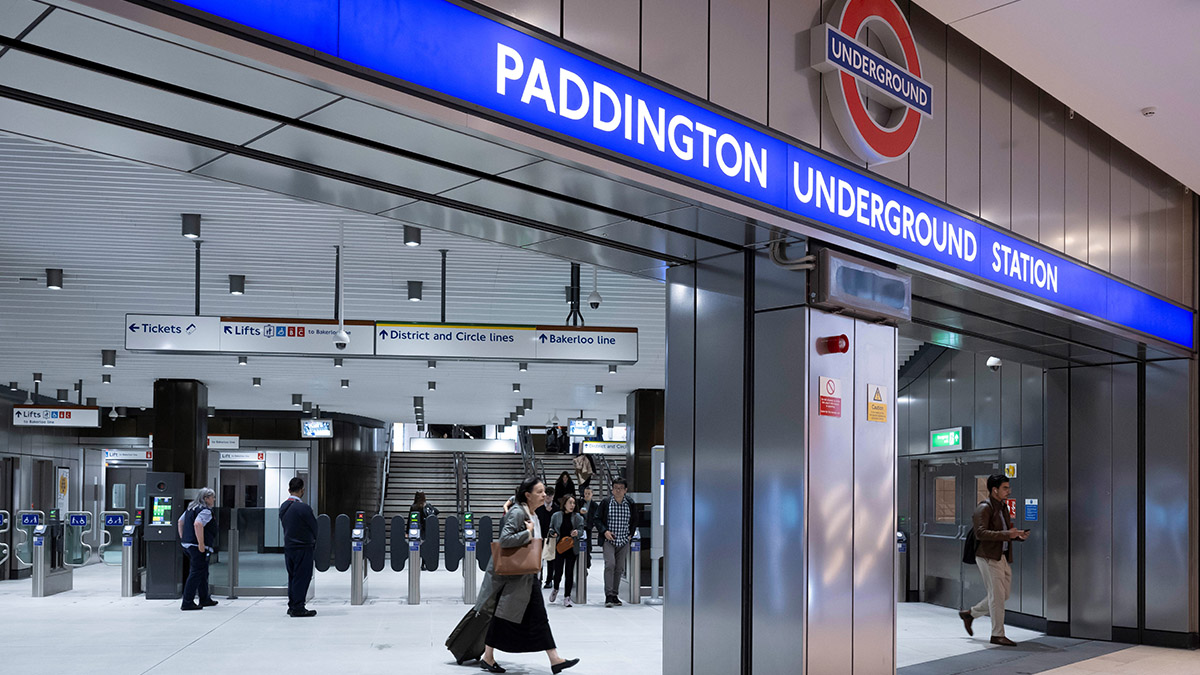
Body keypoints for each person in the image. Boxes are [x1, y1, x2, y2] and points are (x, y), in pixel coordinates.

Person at [476, 478, 579, 674]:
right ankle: (552, 658)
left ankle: (552, 658)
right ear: (527, 495)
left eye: (544, 492)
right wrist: (528, 533)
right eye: (539, 492)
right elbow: (504, 540)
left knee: (526, 616)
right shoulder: (517, 512)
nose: (544, 495)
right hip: (517, 576)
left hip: (528, 574)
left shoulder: (533, 513)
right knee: (513, 614)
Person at [958, 474, 1029, 646]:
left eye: (1008, 487)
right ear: (994, 490)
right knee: (997, 597)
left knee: (1003, 595)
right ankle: (997, 634)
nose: (1008, 491)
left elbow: (1003, 532)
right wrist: (1007, 534)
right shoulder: (984, 508)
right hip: (988, 556)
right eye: (1005, 488)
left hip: (1001, 555)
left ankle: (970, 614)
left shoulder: (1002, 507)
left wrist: (1017, 536)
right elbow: (980, 533)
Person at [594, 477, 638, 607]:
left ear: (625, 490)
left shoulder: (630, 503)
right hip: (609, 539)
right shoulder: (606, 502)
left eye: (621, 488)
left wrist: (630, 534)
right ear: (612, 490)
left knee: (619, 568)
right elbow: (597, 519)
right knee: (610, 565)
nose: (618, 491)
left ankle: (614, 594)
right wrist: (604, 531)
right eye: (615, 488)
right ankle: (608, 595)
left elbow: (635, 520)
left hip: (624, 539)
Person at [279, 476, 318, 618]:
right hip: (303, 546)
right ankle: (299, 607)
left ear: (289, 490)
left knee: (293, 576)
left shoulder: (284, 506)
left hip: (289, 546)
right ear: (302, 490)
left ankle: (292, 604)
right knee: (302, 577)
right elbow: (314, 527)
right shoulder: (304, 508)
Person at [178, 487, 218, 611]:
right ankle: (187, 602)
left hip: (187, 545)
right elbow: (198, 524)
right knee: (196, 573)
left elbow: (180, 522)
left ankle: (204, 598)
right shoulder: (205, 511)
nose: (214, 500)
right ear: (206, 498)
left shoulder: (191, 508)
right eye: (212, 497)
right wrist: (200, 543)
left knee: (202, 572)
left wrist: (184, 538)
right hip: (198, 546)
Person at [549, 494, 585, 607]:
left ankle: (567, 597)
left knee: (569, 573)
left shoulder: (578, 517)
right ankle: (555, 588)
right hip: (559, 547)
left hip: (571, 548)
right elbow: (551, 528)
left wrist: (577, 533)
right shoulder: (556, 516)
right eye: (570, 503)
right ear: (564, 503)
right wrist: (553, 533)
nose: (572, 505)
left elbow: (581, 529)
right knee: (558, 572)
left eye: (574, 503)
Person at [410, 491, 439, 570]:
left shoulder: (414, 507)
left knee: (415, 546)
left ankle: (415, 562)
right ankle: (424, 564)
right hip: (426, 528)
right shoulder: (427, 506)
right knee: (425, 546)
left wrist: (407, 532)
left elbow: (410, 519)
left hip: (416, 528)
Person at [535, 486, 557, 587]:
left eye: (550, 496)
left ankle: (549, 580)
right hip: (540, 535)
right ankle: (539, 579)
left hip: (551, 536)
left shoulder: (556, 508)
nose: (548, 498)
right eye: (547, 495)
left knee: (551, 559)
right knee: (540, 559)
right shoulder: (539, 508)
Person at [577, 487, 596, 569]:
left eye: (589, 493)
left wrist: (592, 524)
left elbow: (596, 516)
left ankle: (587, 563)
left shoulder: (594, 505)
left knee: (588, 545)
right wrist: (579, 512)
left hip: (588, 527)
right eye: (586, 493)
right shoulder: (579, 502)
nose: (587, 495)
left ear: (592, 494)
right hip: (579, 526)